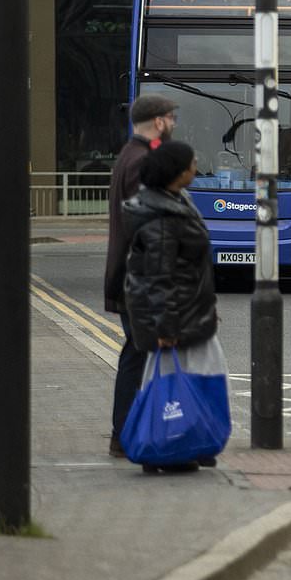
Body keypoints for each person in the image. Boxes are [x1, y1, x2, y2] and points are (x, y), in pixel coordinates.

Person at [121, 141, 223, 474]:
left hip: (190, 312)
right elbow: (159, 277)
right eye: (193, 163)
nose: (197, 166)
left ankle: (192, 441)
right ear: (177, 171)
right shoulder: (160, 217)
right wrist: (164, 328)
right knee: (171, 386)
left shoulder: (176, 202)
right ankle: (165, 445)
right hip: (174, 320)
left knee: (200, 378)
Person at [103, 93, 178, 458]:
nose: (174, 124)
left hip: (129, 276)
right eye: (171, 118)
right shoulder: (144, 161)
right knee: (141, 356)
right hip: (140, 280)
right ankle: (132, 434)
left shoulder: (126, 156)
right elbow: (147, 228)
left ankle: (128, 433)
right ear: (160, 121)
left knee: (136, 354)